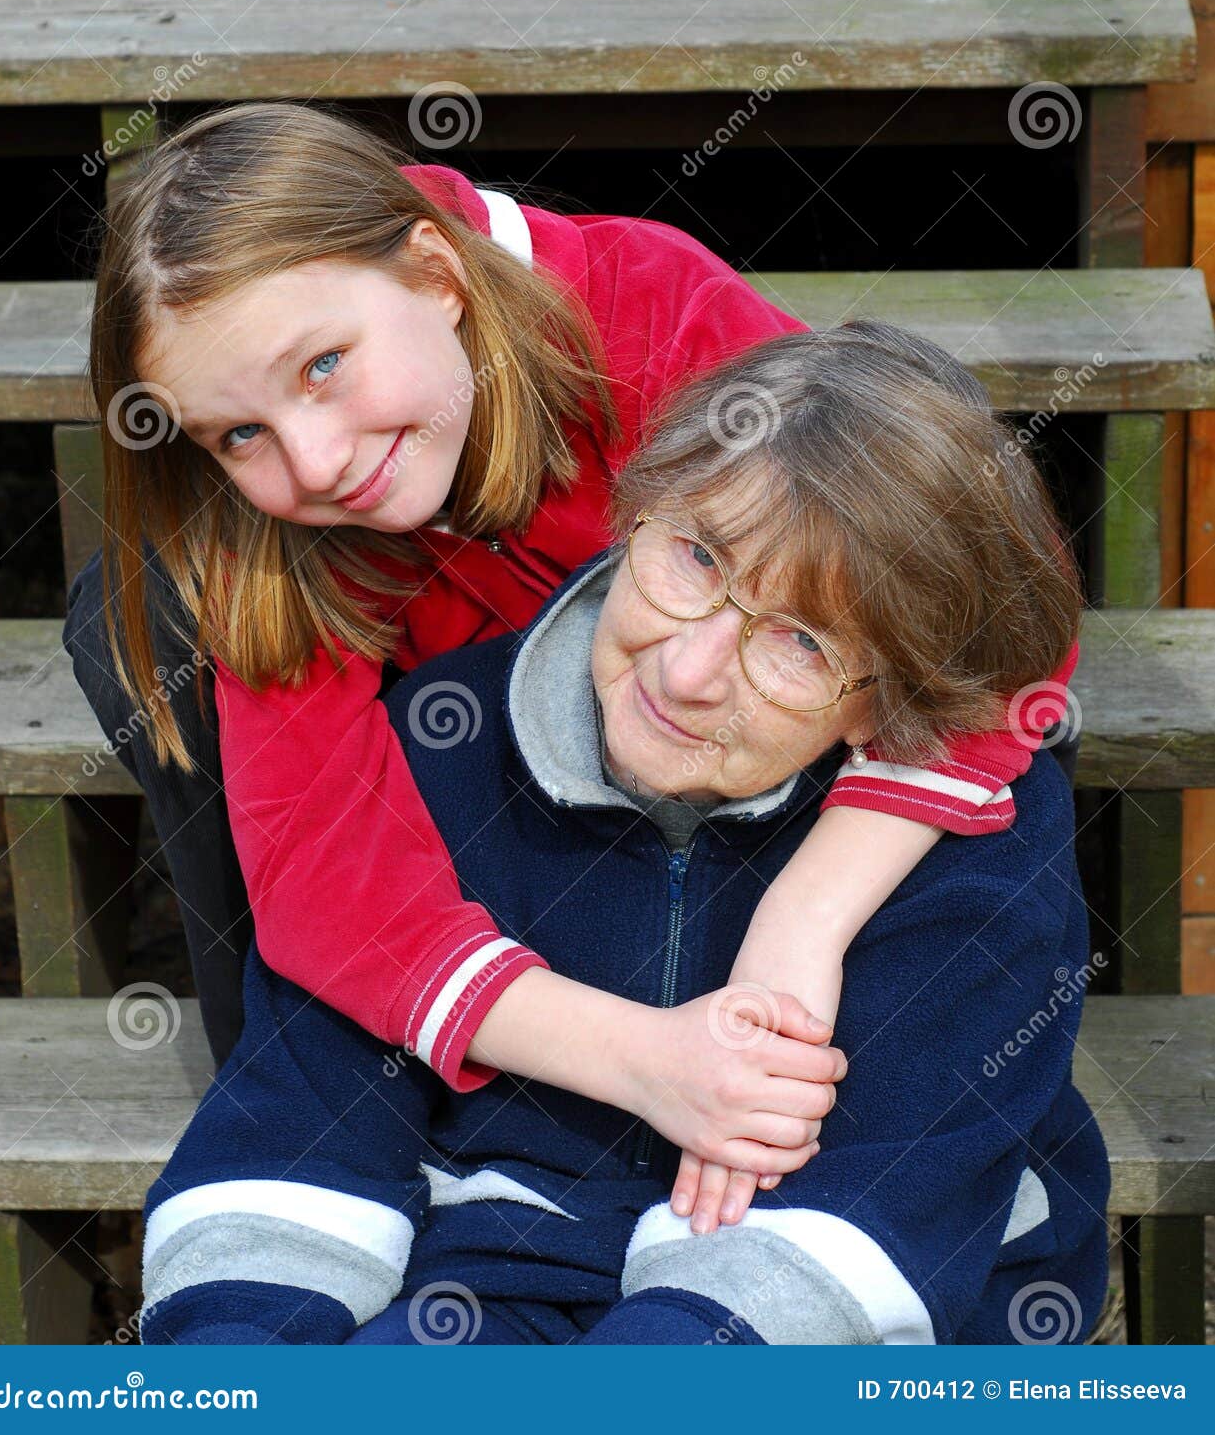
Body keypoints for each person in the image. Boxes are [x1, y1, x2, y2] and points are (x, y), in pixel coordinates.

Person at [63, 101, 1080, 1231]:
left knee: (990, 730)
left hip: (768, 782)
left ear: (437, 273)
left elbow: (1006, 606)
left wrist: (805, 916)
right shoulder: (270, 528)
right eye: (234, 433)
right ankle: (315, 1115)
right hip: (533, 817)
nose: (312, 459)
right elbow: (316, 863)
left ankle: (883, 1192)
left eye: (325, 365)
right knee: (138, 620)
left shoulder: (648, 314)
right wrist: (641, 1057)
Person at [138, 325, 1108, 1346]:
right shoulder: (440, 741)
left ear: (885, 698)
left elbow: (869, 1223)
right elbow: (298, 1126)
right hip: (484, 1282)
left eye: (798, 640)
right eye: (692, 556)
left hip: (816, 1306)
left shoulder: (975, 847)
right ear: (629, 517)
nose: (685, 672)